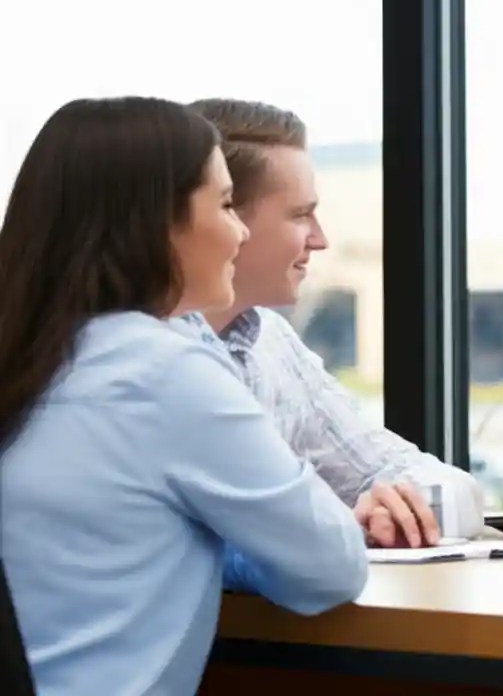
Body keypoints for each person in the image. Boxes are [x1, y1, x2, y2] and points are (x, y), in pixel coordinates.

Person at [0, 97, 367, 695]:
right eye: (225, 204)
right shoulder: (164, 371)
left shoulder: (32, 351)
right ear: (158, 223)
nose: (241, 230)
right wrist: (226, 539)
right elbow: (330, 567)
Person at [181, 98, 484, 546]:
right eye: (300, 214)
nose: (320, 239)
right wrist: (336, 529)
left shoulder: (271, 344)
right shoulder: (146, 360)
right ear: (225, 216)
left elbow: (448, 485)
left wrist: (397, 513)